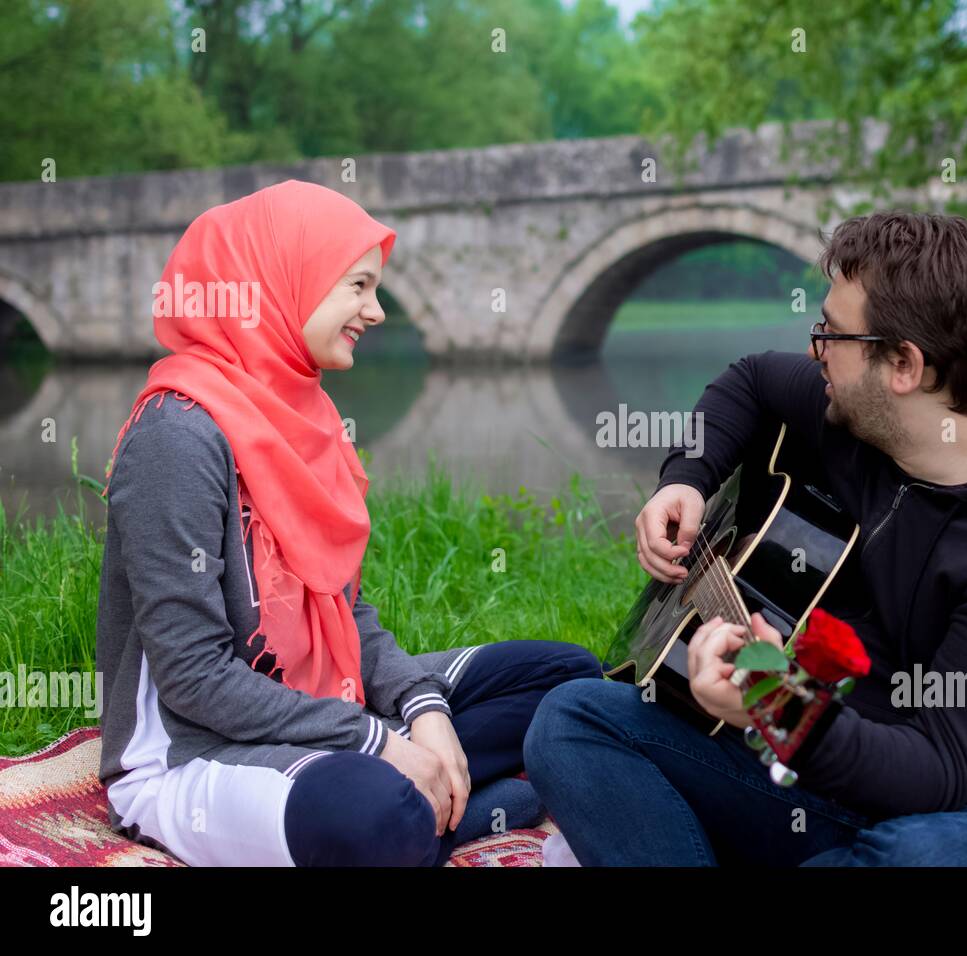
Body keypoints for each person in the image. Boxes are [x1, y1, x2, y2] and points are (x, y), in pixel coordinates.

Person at [525, 211, 967, 867]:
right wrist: (688, 482)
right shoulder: (869, 419)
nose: (814, 348)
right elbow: (752, 380)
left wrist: (776, 703)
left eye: (832, 333)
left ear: (903, 364)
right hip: (835, 767)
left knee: (917, 858)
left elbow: (939, 768)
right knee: (575, 719)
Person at [95, 180, 600, 867]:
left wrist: (423, 713)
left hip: (320, 703)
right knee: (371, 816)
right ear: (284, 281)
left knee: (567, 681)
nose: (377, 310)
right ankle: (454, 807)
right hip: (196, 752)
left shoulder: (307, 417)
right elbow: (194, 677)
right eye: (358, 286)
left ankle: (433, 793)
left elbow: (346, 609)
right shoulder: (176, 436)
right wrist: (379, 741)